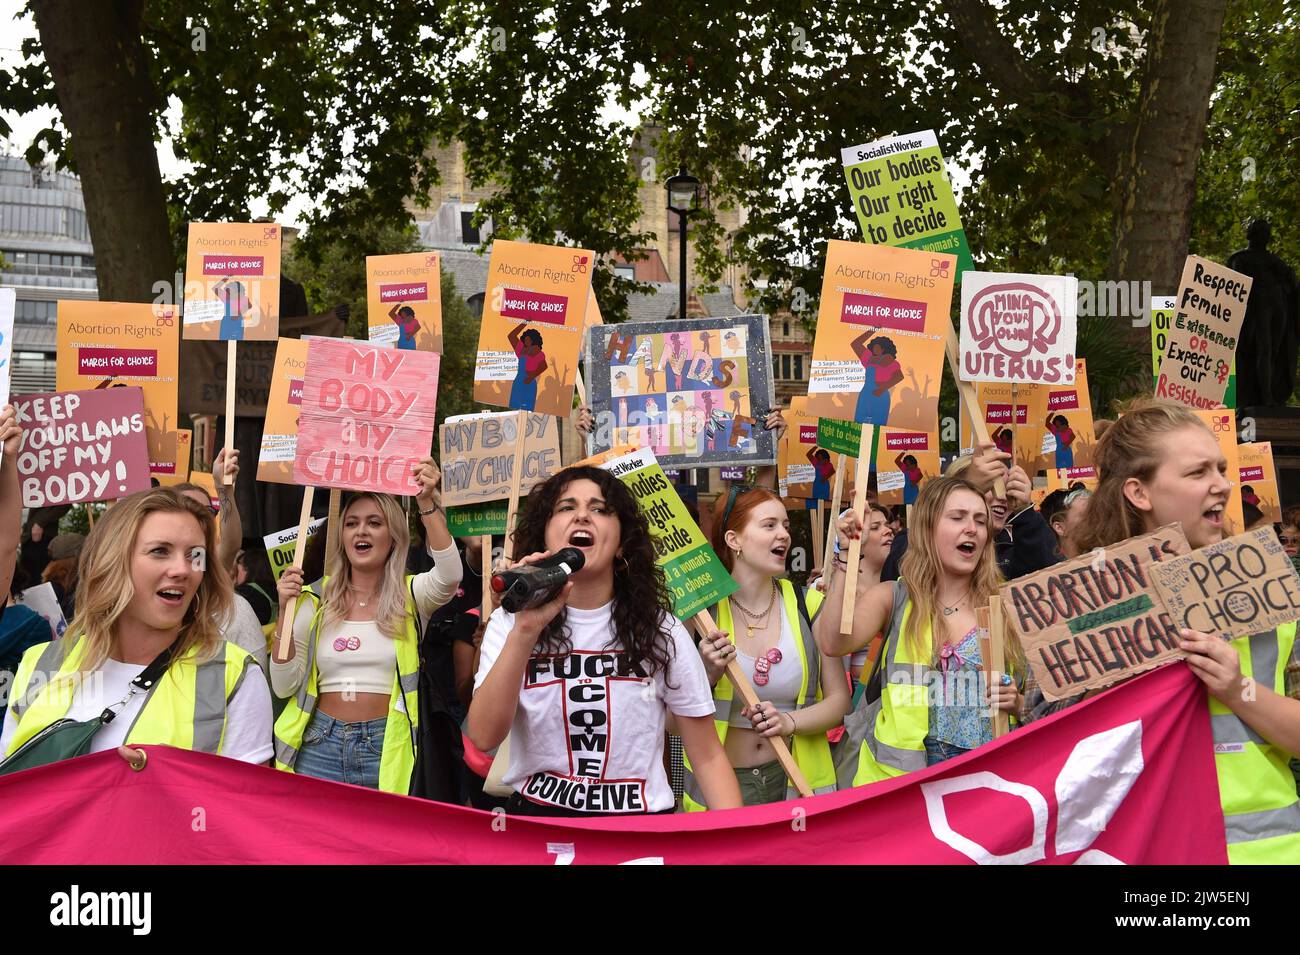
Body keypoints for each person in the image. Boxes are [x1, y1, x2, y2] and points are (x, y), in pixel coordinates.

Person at [1071, 399, 1300, 863]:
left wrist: (1239, 691)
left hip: (1261, 852)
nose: (1223, 484)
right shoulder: (1087, 606)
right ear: (1140, 493)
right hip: (1142, 851)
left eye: (1220, 468)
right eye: (1198, 473)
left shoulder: (1272, 586)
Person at [467, 466, 743, 815]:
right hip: (541, 831)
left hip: (637, 833)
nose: (582, 515)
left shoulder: (662, 631)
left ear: (622, 543)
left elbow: (707, 757)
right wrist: (526, 629)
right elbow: (483, 736)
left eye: (599, 509)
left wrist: (738, 845)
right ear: (544, 536)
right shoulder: (511, 622)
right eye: (566, 507)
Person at [1, 488, 273, 768]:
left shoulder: (234, 677)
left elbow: (246, 807)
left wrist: (154, 787)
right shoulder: (39, 663)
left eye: (195, 555)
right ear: (112, 561)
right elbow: (12, 794)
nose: (182, 569)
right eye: (159, 551)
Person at [271, 458, 462, 793]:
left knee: (384, 844)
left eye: (374, 523)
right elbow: (284, 685)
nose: (361, 531)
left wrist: (426, 502)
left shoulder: (411, 594)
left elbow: (450, 576)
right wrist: (285, 612)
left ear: (393, 537)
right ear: (341, 536)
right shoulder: (311, 600)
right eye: (352, 523)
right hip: (318, 744)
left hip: (387, 744)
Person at [818, 477, 1024, 783]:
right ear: (927, 528)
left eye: (980, 521)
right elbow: (832, 642)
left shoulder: (1008, 604)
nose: (972, 528)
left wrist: (1018, 703)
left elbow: (1047, 700)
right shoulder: (894, 596)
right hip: (907, 781)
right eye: (957, 518)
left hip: (989, 777)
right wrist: (846, 555)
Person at [689, 486, 849, 807]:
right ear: (734, 540)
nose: (784, 535)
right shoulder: (700, 614)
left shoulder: (810, 604)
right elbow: (666, 718)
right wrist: (707, 675)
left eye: (786, 526)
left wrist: (789, 723)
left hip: (795, 781)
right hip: (723, 787)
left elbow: (840, 702)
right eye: (770, 525)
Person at [851, 329, 903, 426]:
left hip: (880, 397)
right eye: (873, 347)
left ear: (883, 349)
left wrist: (882, 388)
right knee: (858, 425)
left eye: (877, 347)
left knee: (877, 428)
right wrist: (874, 328)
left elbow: (899, 376)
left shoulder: (889, 360)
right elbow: (856, 344)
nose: (874, 349)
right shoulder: (868, 358)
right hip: (865, 395)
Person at [1042, 487, 1091, 559]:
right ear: (1060, 528)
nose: (1097, 520)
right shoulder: (1051, 568)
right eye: (1085, 515)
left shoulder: (1106, 557)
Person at [507, 325, 547, 411]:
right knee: (514, 410)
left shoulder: (538, 353)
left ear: (533, 340)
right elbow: (511, 336)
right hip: (518, 383)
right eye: (525, 339)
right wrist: (524, 322)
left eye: (527, 339)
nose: (525, 341)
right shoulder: (521, 349)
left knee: (527, 412)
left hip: (529, 385)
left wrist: (531, 377)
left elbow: (544, 366)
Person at [214, 276, 255, 341]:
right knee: (223, 343)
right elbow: (215, 288)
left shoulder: (243, 298)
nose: (227, 289)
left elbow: (250, 306)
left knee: (236, 343)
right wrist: (226, 277)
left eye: (231, 287)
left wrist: (239, 313)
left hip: (237, 323)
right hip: (226, 322)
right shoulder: (226, 297)